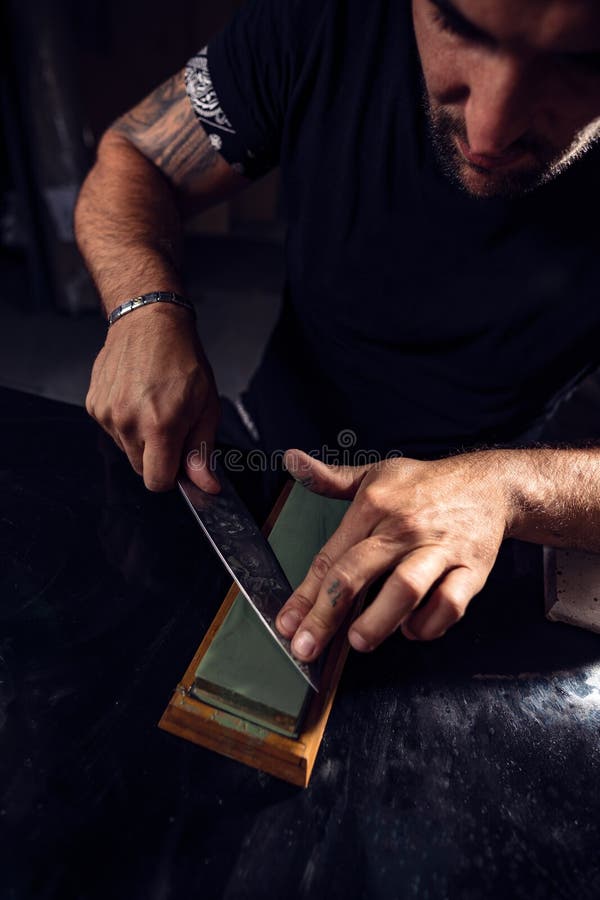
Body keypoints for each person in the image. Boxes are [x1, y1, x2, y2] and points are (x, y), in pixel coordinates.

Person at [75, 0, 600, 664]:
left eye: (580, 62)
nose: (490, 128)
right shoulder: (324, 17)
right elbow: (135, 156)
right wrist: (143, 308)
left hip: (484, 529)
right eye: (460, 29)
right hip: (262, 455)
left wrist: (507, 488)